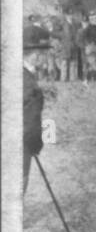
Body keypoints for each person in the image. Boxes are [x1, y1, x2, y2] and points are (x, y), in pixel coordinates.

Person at [23, 27, 49, 193]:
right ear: (35, 53)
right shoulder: (27, 81)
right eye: (43, 52)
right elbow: (30, 123)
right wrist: (35, 144)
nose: (45, 57)